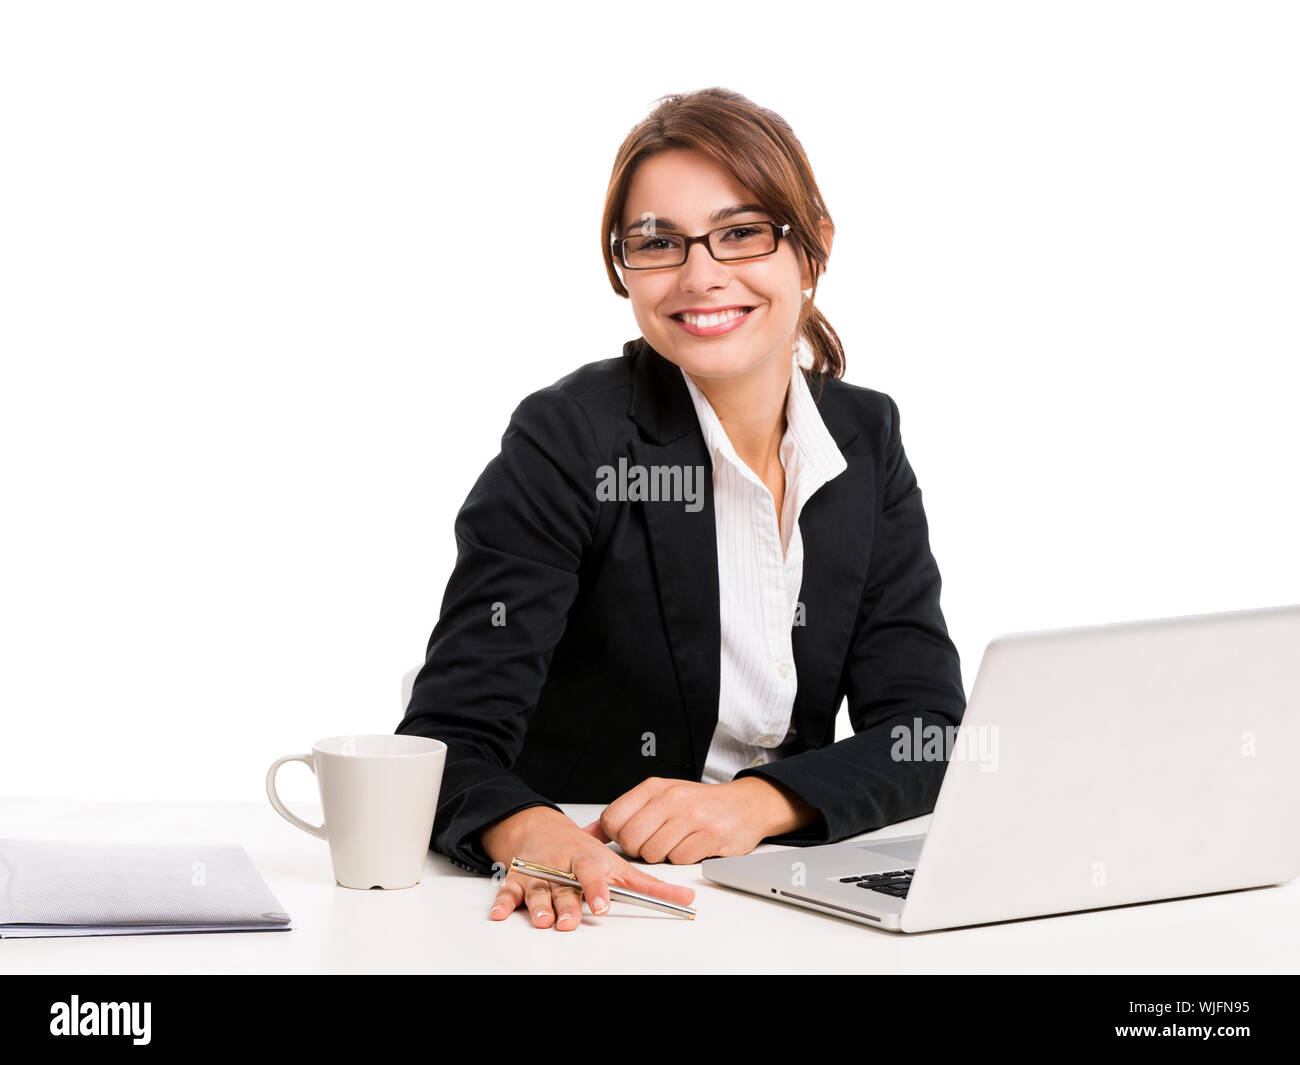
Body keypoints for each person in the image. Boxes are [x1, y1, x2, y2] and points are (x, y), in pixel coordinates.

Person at [396, 86, 966, 932]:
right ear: (625, 267)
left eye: (741, 233)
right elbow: (443, 743)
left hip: (776, 891)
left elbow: (927, 732)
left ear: (812, 249)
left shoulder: (864, 438)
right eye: (658, 242)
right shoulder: (570, 439)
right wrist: (538, 833)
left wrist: (758, 804)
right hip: (594, 899)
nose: (702, 274)